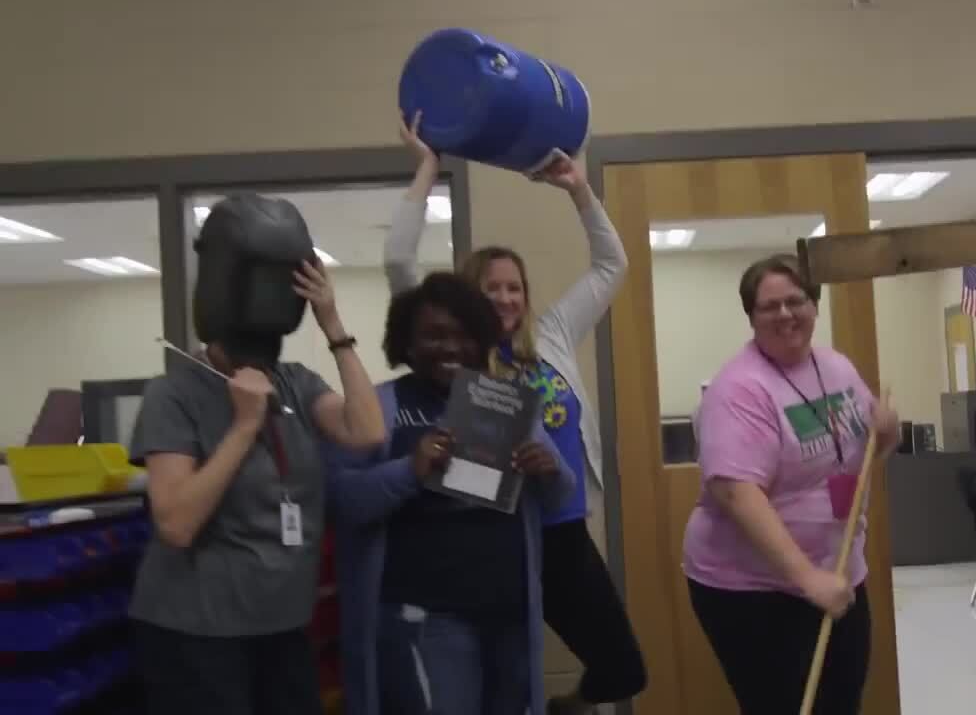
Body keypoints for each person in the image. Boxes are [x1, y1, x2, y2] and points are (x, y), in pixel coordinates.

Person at [385, 111, 645, 714]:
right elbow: (400, 262)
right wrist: (428, 169)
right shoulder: (455, 354)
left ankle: (569, 707)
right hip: (499, 534)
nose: (505, 297)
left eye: (514, 288)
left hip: (565, 532)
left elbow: (613, 267)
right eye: (491, 287)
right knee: (506, 682)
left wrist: (578, 189)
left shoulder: (552, 335)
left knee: (623, 666)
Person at [128, 195, 385, 715]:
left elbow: (367, 432)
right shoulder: (174, 395)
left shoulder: (295, 383)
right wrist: (244, 429)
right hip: (196, 634)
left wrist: (333, 325)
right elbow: (176, 523)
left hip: (281, 627)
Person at [329, 271, 576, 715]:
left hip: (509, 615)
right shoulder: (381, 405)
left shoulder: (505, 401)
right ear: (406, 342)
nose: (451, 347)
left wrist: (549, 469)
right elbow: (344, 502)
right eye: (434, 335)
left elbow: (559, 499)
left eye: (464, 335)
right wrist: (411, 469)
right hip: (426, 618)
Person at [683, 253, 899, 715]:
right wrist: (807, 579)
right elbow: (737, 494)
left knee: (841, 701)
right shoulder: (740, 388)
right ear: (752, 318)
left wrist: (888, 432)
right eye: (769, 306)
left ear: (814, 306)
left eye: (795, 300)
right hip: (753, 588)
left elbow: (861, 456)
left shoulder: (834, 366)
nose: (785, 314)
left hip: (837, 570)